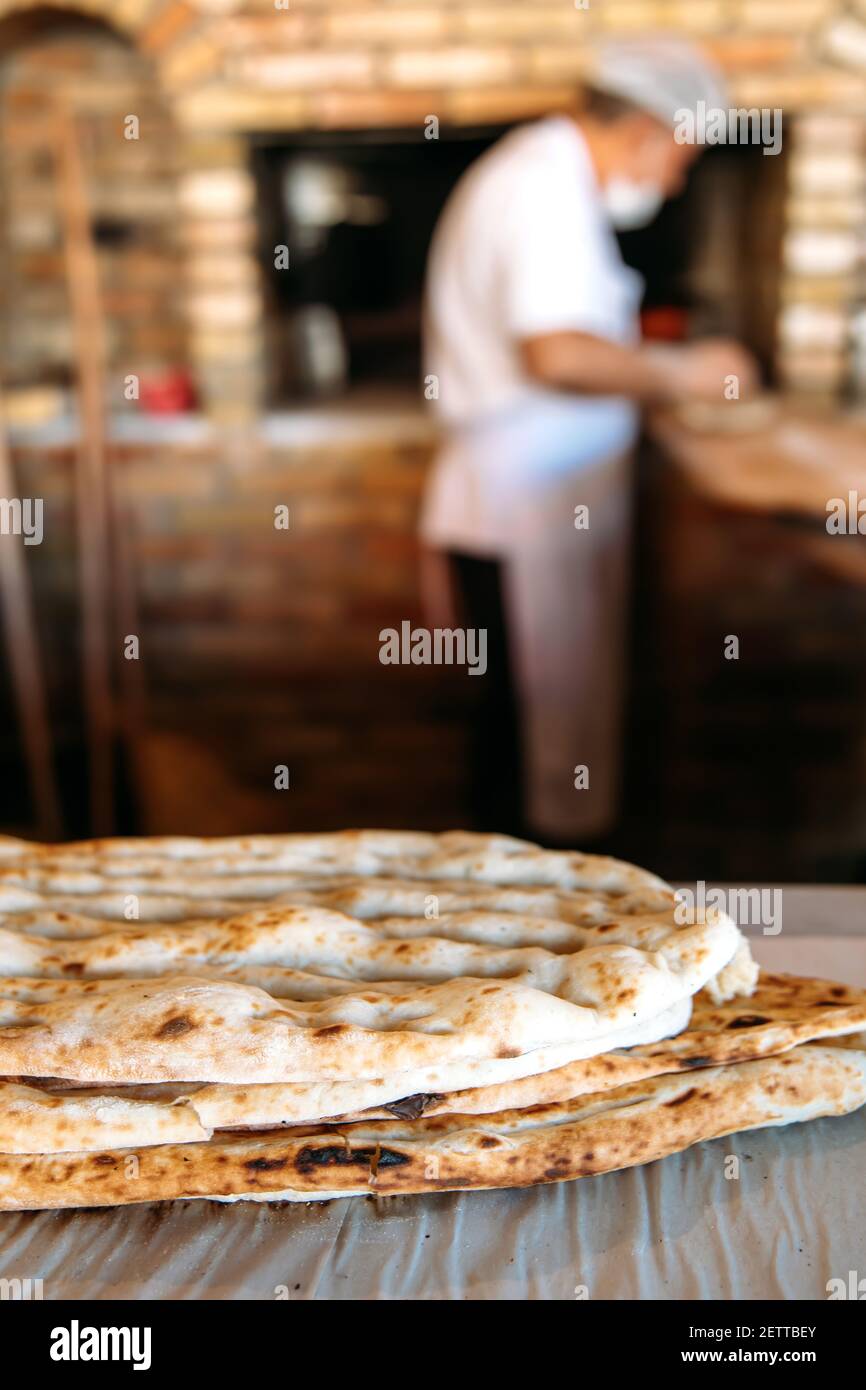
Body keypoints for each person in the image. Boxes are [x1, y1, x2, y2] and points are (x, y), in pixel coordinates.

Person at [420, 38, 758, 844]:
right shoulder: (542, 189)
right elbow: (559, 352)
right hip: (522, 504)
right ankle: (518, 922)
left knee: (530, 716)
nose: (676, 178)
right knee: (533, 720)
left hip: (529, 499)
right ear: (647, 126)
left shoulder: (546, 176)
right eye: (682, 155)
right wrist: (684, 372)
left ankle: (526, 900)